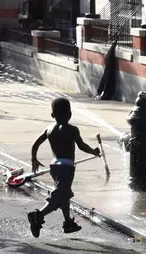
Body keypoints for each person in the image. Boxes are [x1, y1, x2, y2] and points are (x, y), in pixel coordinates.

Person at [27, 98, 100, 237]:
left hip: (55, 166)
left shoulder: (48, 129)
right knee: (61, 195)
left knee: (63, 194)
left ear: (52, 115)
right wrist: (93, 151)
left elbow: (35, 144)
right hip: (67, 167)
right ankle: (38, 215)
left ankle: (67, 222)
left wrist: (34, 158)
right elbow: (81, 145)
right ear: (70, 114)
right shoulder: (72, 129)